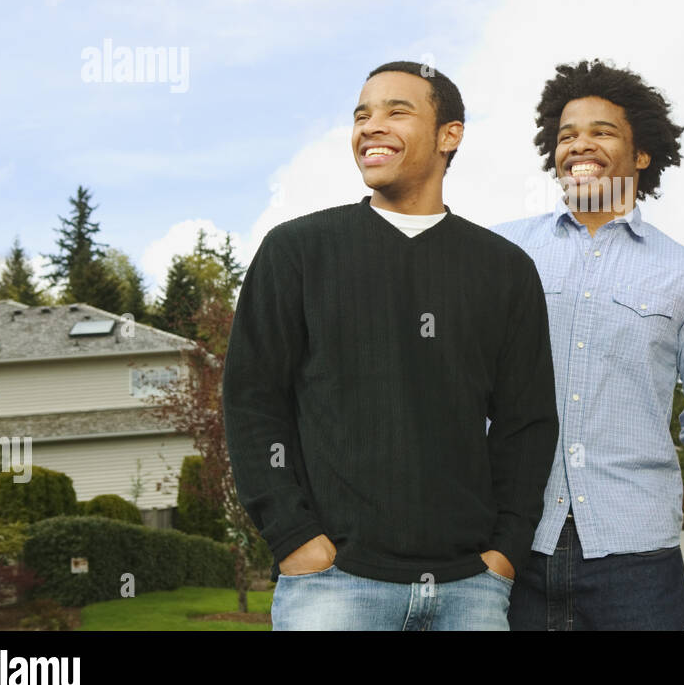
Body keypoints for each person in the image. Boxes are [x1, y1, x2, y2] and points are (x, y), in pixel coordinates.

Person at [224, 61, 558, 631]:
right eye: (361, 115)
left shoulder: (505, 270)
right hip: (333, 587)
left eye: (396, 111)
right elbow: (253, 402)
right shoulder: (296, 252)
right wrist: (294, 537)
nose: (371, 126)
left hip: (469, 591)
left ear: (449, 134)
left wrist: (504, 553)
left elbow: (525, 424)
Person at [493, 60, 684, 631]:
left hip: (638, 559)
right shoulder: (502, 253)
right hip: (511, 547)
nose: (581, 145)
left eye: (602, 131)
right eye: (567, 135)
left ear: (642, 154)